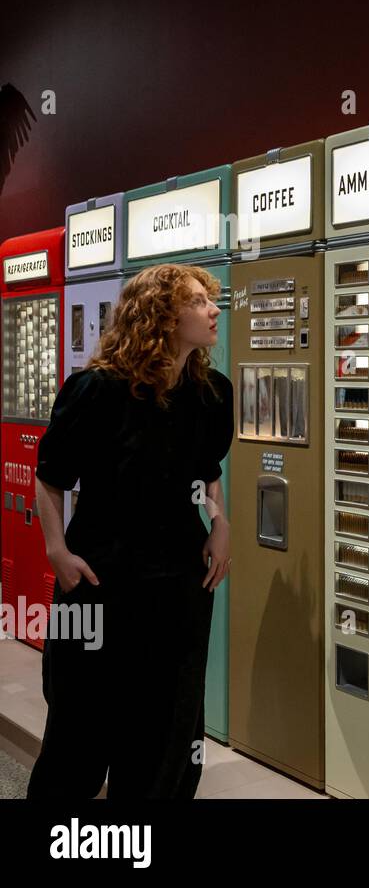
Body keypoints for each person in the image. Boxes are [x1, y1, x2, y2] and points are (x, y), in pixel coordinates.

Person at [26, 263, 234, 800]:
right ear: (162, 314)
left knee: (166, 739)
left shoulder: (213, 393)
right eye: (199, 301)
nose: (215, 310)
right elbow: (50, 479)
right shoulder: (96, 389)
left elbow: (208, 472)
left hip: (180, 588)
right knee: (78, 736)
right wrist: (56, 552)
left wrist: (221, 523)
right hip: (100, 583)